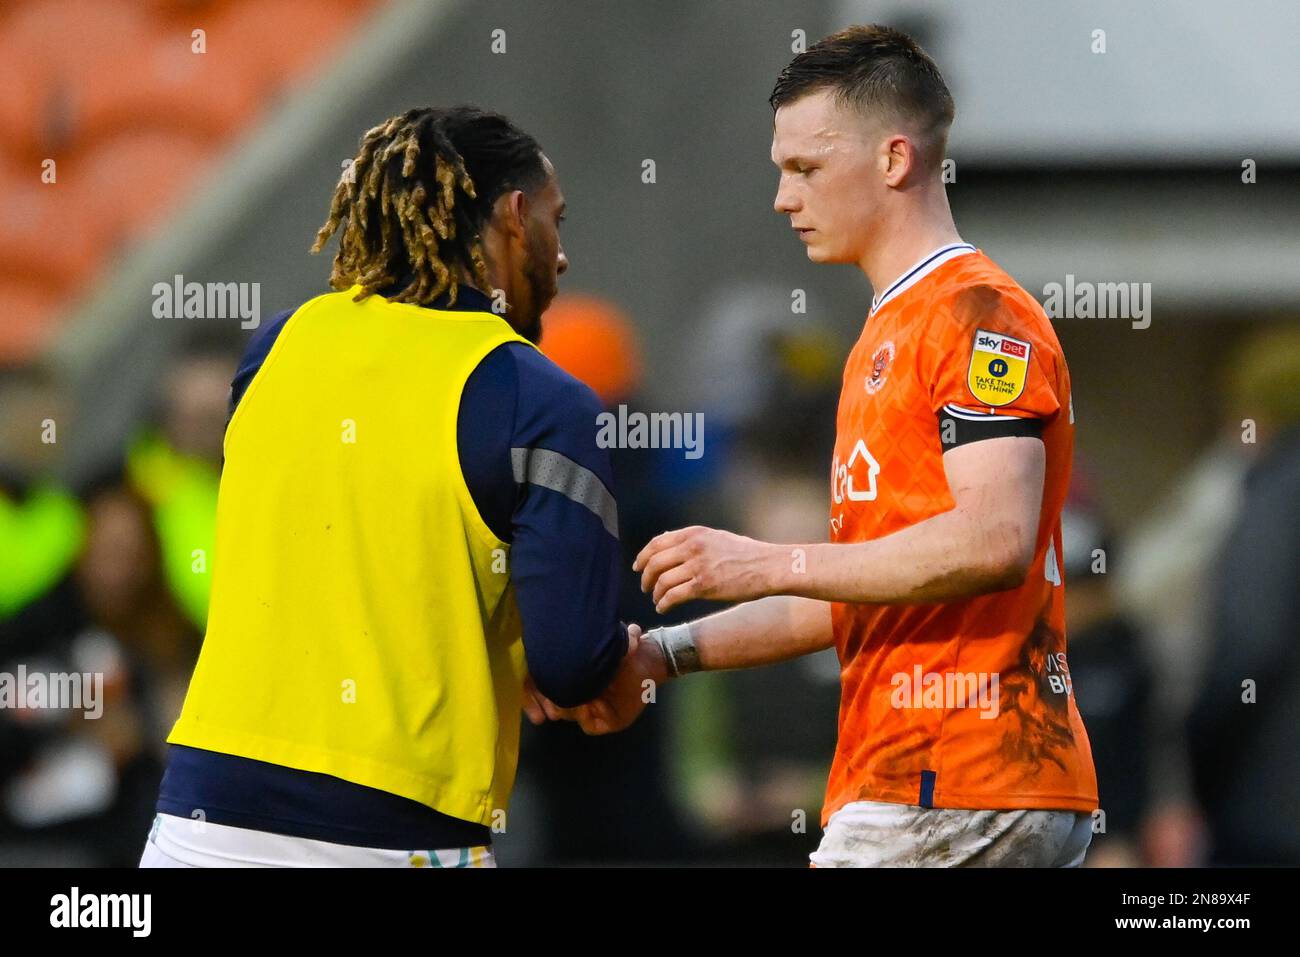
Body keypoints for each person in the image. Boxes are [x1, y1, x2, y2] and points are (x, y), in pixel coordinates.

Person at [542, 25, 1099, 867]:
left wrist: (765, 560)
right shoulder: (891, 328)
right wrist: (664, 653)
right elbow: (854, 587)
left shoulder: (978, 313)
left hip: (950, 779)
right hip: (933, 783)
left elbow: (994, 539)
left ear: (894, 159)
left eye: (804, 167)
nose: (781, 196)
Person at [138, 106, 633, 867]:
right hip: (391, 829)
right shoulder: (543, 399)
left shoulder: (276, 344)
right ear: (513, 216)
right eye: (556, 223)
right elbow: (574, 660)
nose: (561, 255)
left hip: (201, 819)